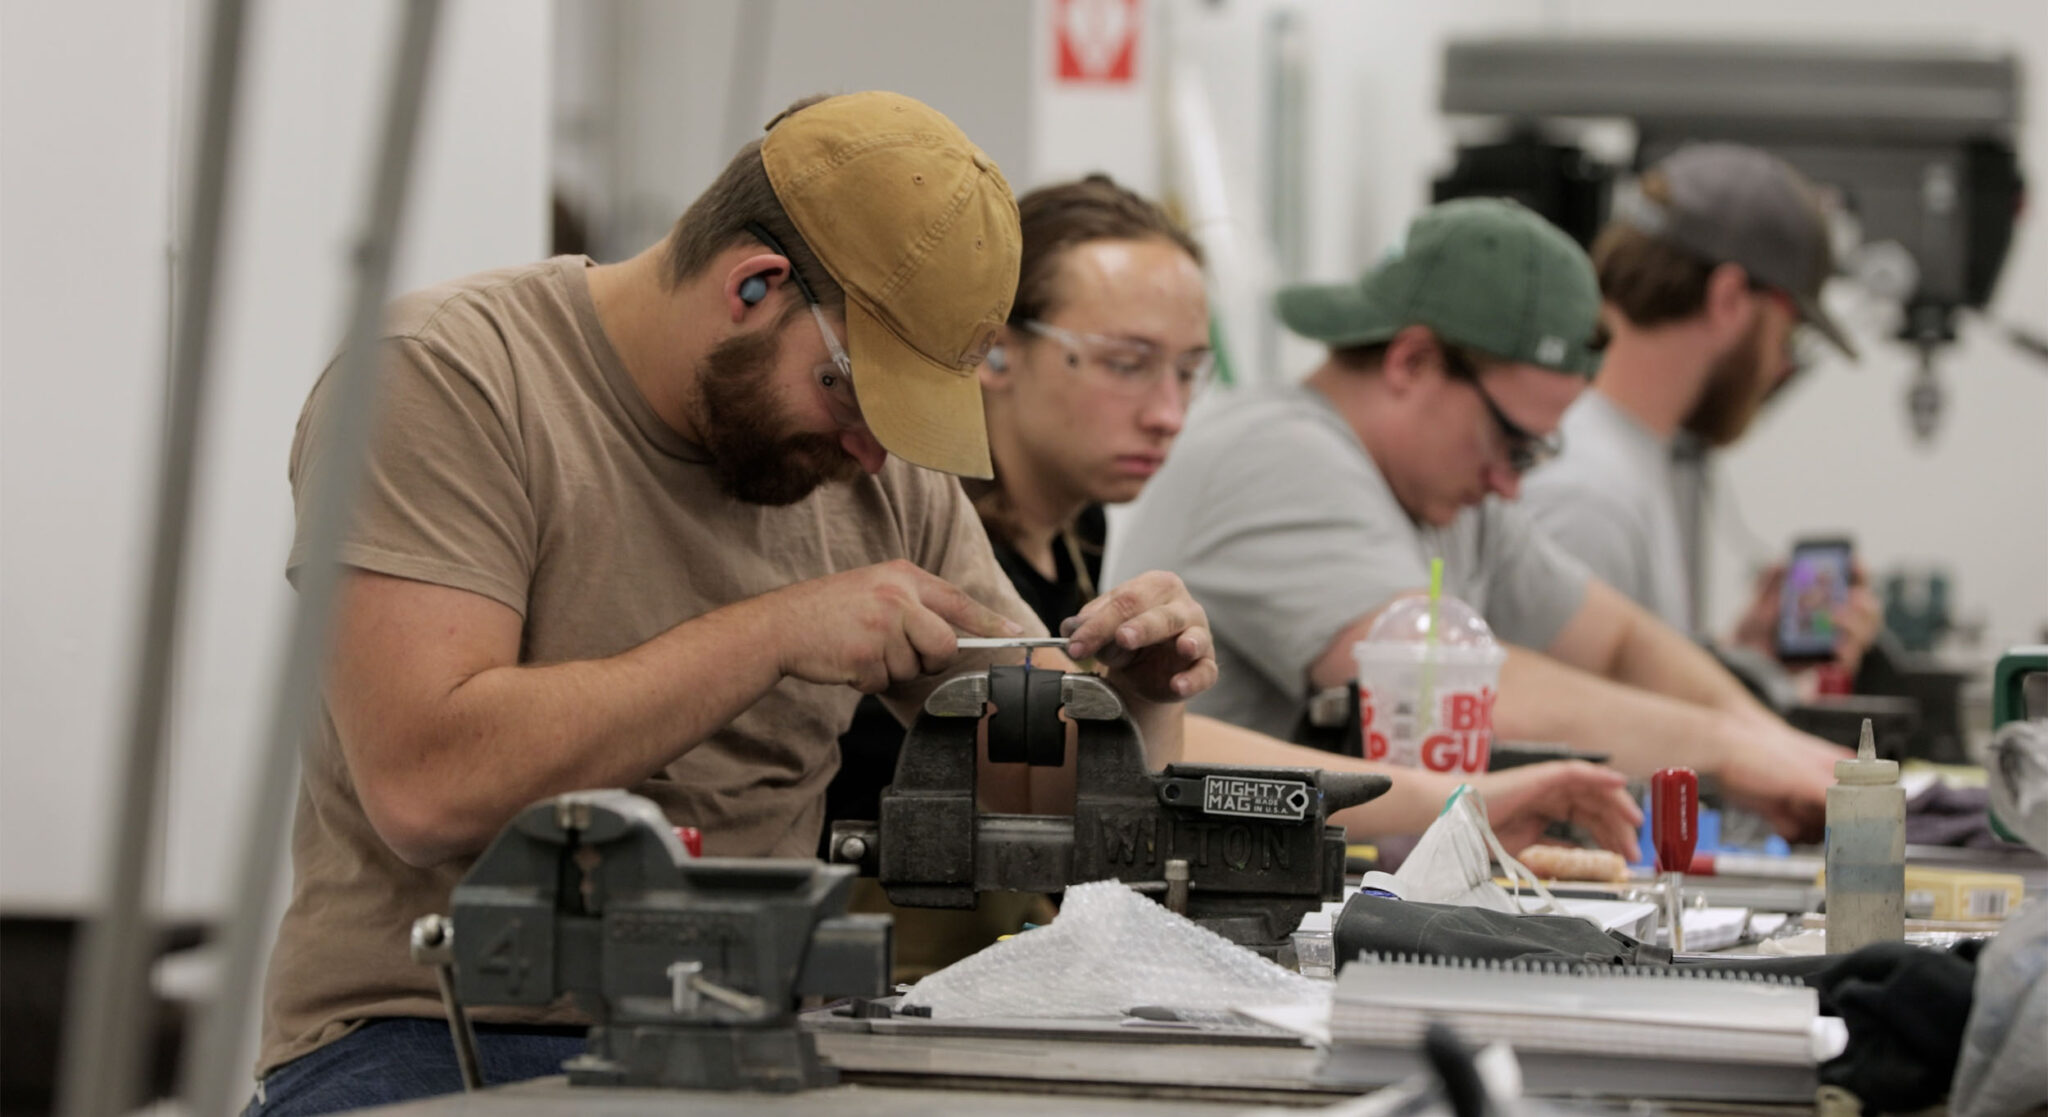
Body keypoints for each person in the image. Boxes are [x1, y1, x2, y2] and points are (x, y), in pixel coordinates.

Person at [250, 92, 1220, 1116]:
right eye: (853, 393)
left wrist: (1138, 698)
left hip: (754, 1037)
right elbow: (426, 787)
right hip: (438, 1031)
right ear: (754, 285)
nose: (871, 454)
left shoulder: (876, 468)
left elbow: (1064, 816)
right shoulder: (446, 379)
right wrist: (772, 633)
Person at [828, 177, 1640, 876]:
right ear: (997, 353)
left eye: (1189, 369)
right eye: (1126, 363)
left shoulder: (1079, 534)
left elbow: (1117, 756)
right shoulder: (926, 523)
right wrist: (1450, 798)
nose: (1169, 412)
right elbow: (1086, 755)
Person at [1107, 196, 1851, 846]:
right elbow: (1449, 692)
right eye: (1512, 441)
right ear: (1412, 362)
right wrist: (1725, 750)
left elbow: (1619, 642)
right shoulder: (1276, 458)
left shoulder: (1454, 491)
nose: (1511, 482)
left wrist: (1778, 746)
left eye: (1534, 453)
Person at [1519, 144, 1880, 681]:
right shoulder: (1589, 500)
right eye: (1787, 335)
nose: (1781, 366)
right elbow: (1561, 724)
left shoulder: (1619, 459)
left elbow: (1628, 702)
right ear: (1729, 297)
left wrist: (1749, 659)